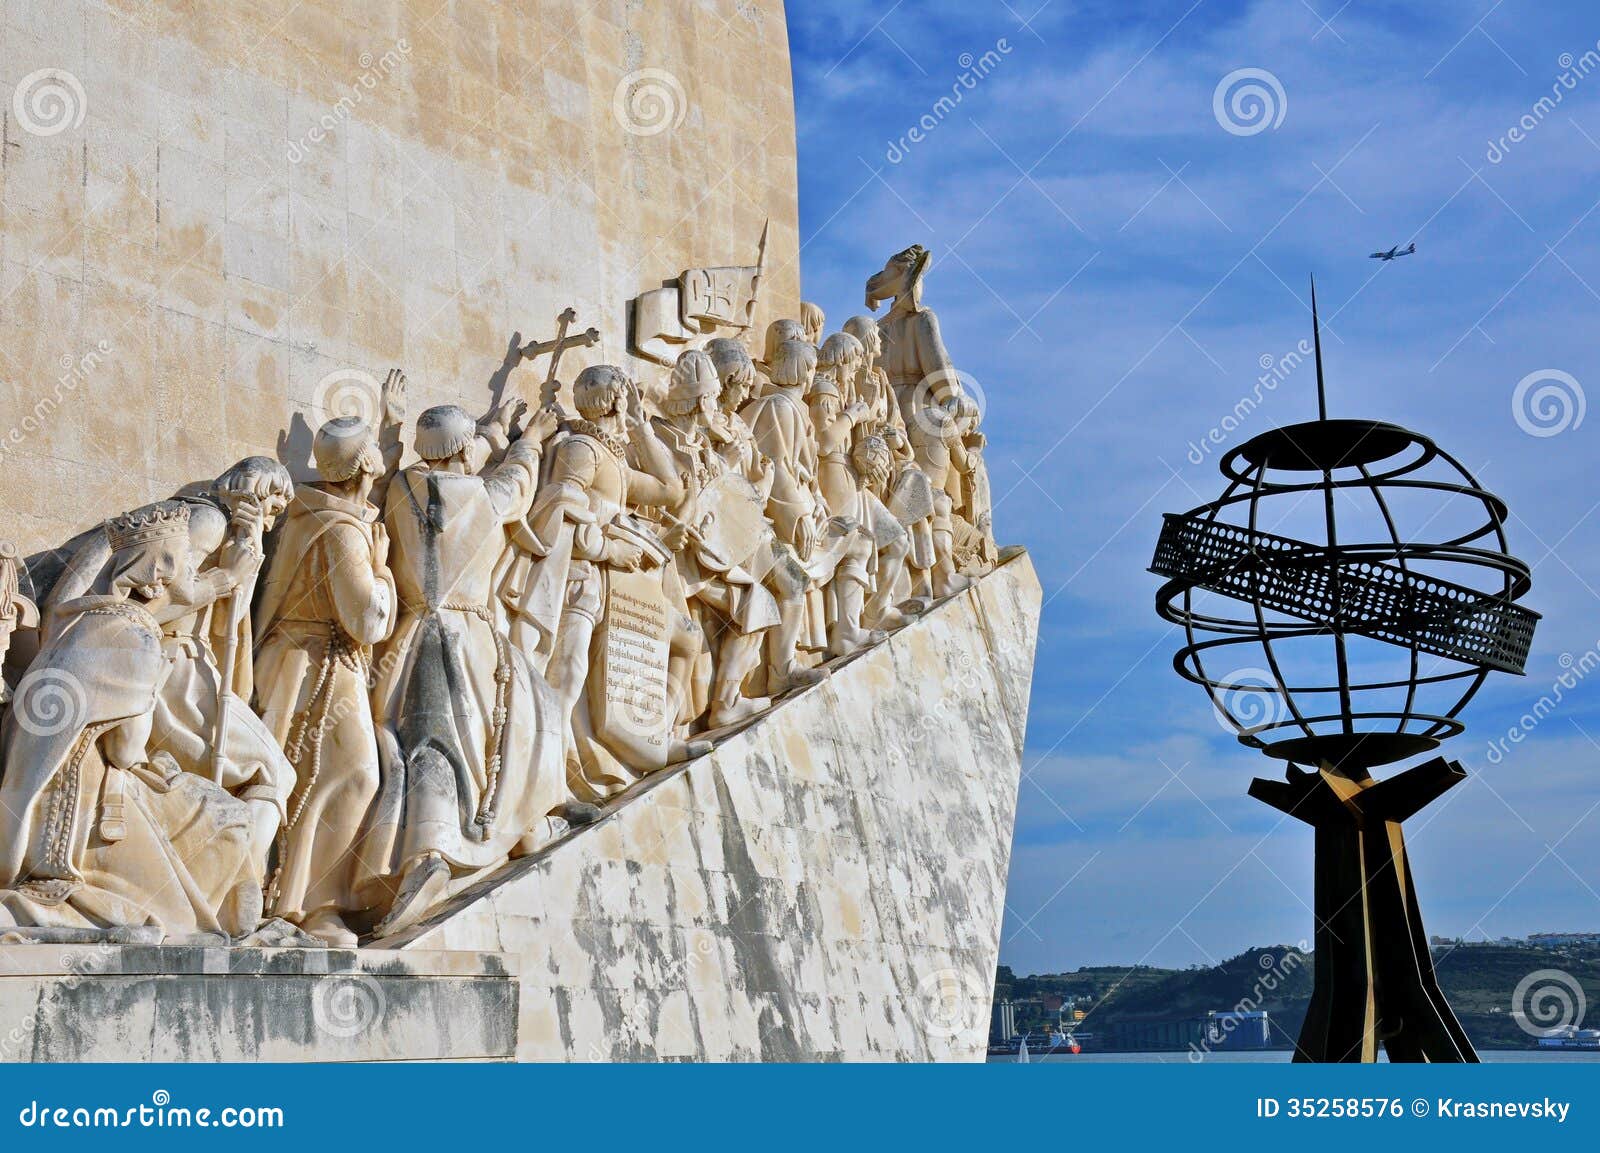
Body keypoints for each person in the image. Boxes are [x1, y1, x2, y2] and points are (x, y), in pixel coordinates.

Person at [0, 502, 262, 942]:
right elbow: (125, 751)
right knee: (225, 818)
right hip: (85, 806)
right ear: (161, 571)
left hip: (34, 787)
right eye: (189, 563)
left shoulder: (78, 621)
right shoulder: (137, 638)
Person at [368, 400, 570, 936]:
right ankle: (442, 848)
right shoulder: (481, 494)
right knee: (511, 724)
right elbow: (518, 482)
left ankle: (488, 834)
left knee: (429, 736)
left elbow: (444, 462)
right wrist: (532, 437)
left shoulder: (399, 490)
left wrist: (487, 428)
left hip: (408, 636)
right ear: (462, 452)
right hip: (466, 635)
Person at [508, 366, 707, 802]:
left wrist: (639, 429)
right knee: (566, 679)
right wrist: (606, 549)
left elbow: (671, 489)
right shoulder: (581, 450)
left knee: (687, 640)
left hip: (615, 585)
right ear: (616, 398)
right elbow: (554, 510)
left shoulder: (610, 455)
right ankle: (548, 786)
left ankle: (655, 734)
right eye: (627, 398)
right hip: (580, 581)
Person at [253, 416, 398, 946]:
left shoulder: (324, 516)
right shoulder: (341, 531)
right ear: (363, 464)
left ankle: (303, 901)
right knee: (347, 773)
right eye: (376, 449)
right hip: (318, 661)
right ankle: (312, 907)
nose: (383, 456)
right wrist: (383, 570)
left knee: (326, 774)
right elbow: (366, 620)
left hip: (307, 659)